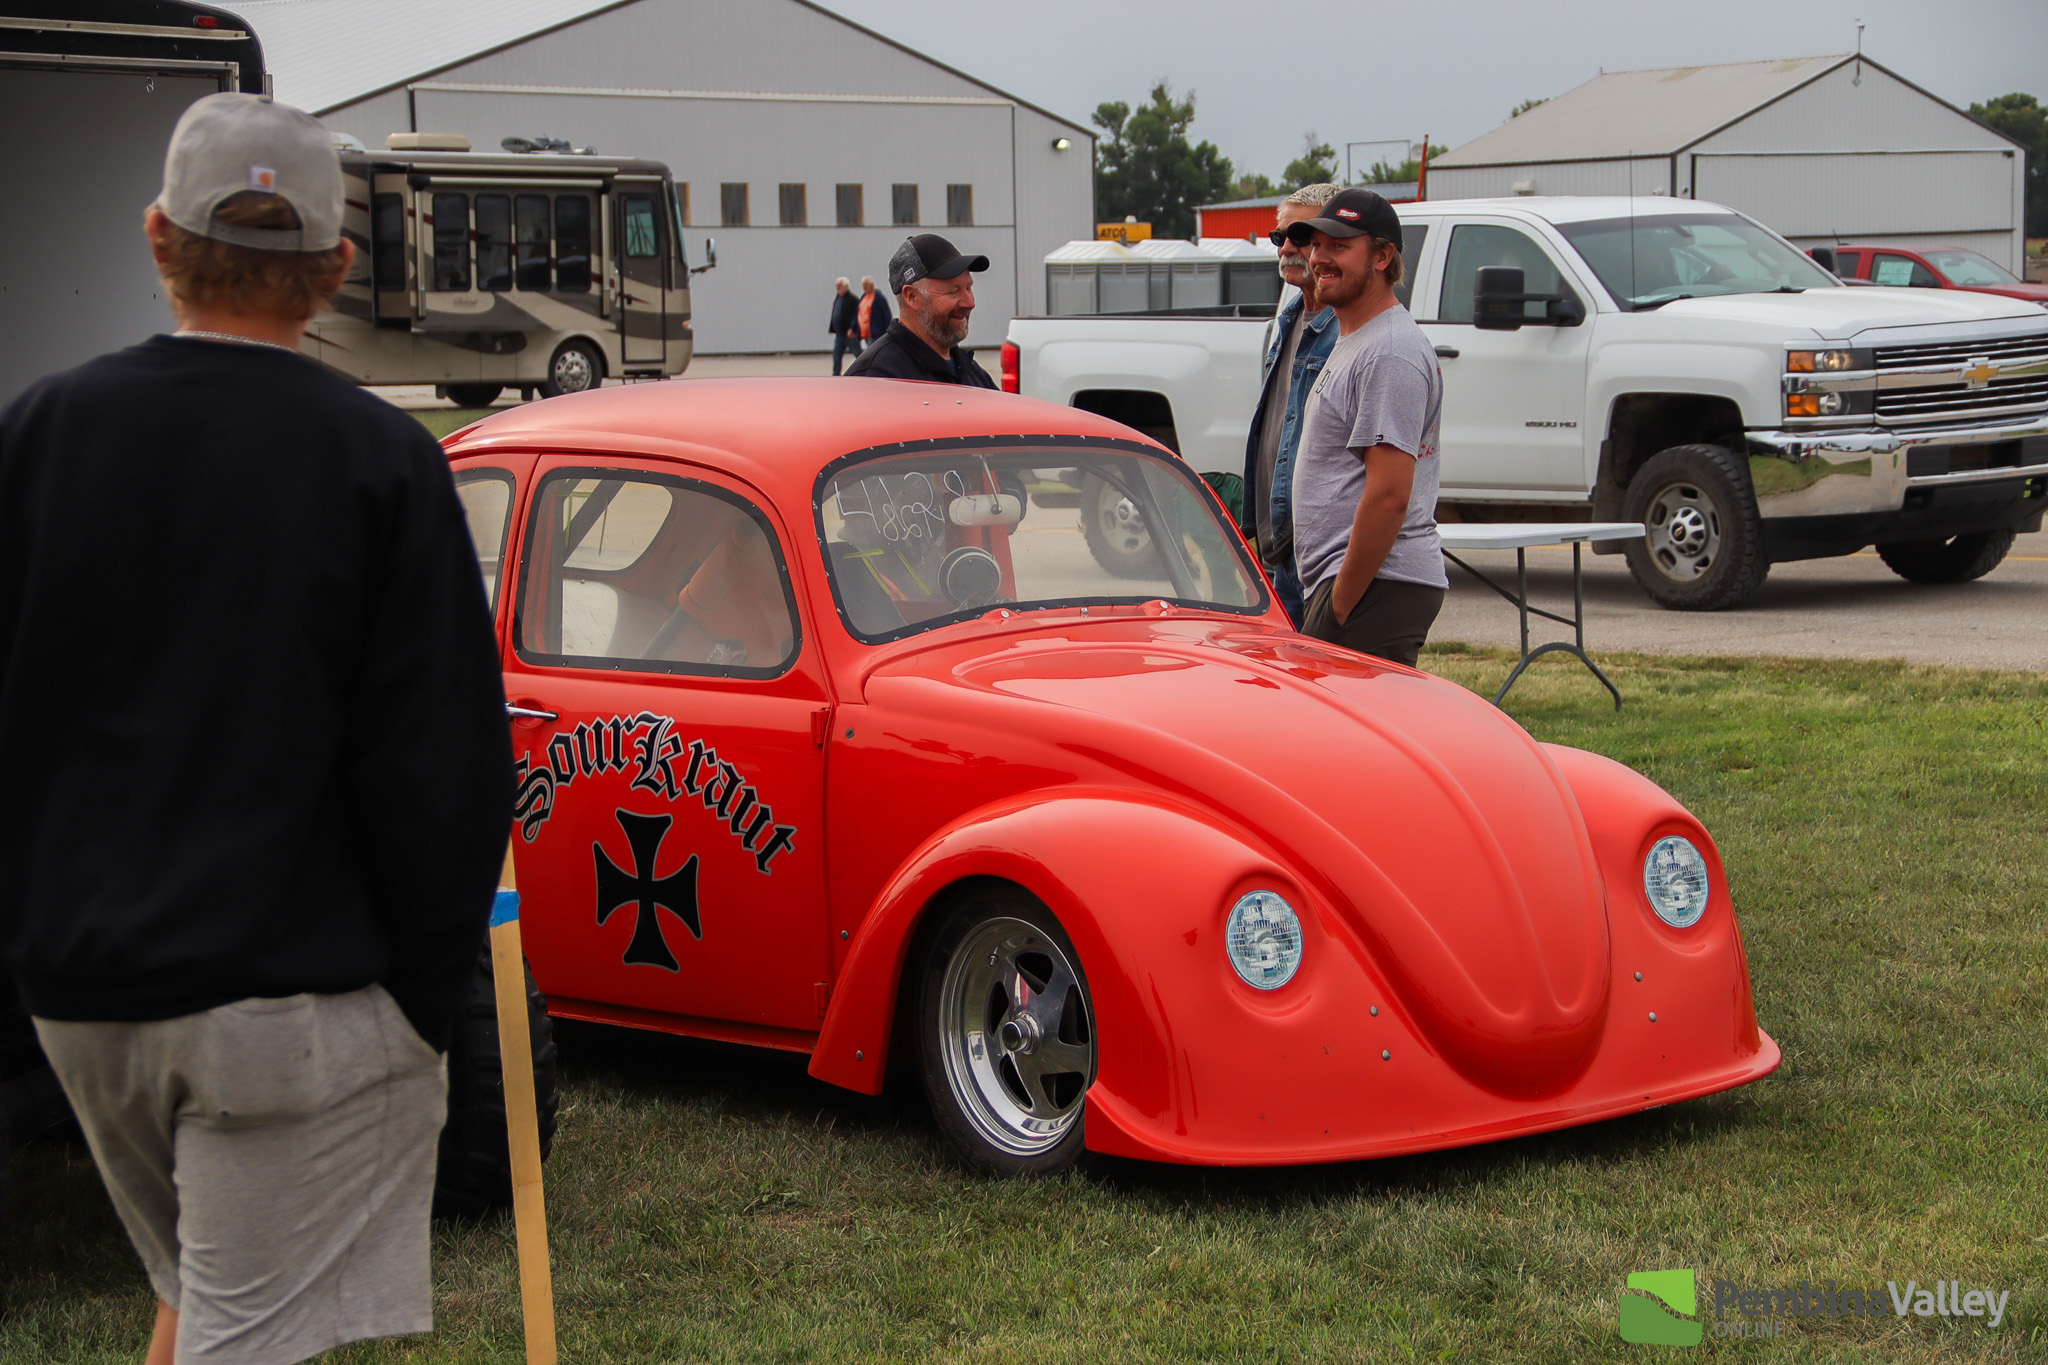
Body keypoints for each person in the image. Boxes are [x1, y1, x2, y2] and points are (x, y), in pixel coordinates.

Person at [0, 93, 512, 1365]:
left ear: (157, 238)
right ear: (337, 266)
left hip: (80, 999)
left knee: (204, 1298)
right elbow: (446, 767)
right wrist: (420, 999)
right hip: (286, 1005)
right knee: (247, 1329)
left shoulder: (38, 431)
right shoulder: (380, 460)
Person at [1286, 187, 1446, 666]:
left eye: (1339, 246)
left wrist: (1340, 603)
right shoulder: (1361, 339)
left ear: (1382, 257)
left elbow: (1390, 494)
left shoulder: (1389, 352)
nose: (1319, 258)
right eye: (1316, 245)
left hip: (1375, 585)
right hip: (1359, 585)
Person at [1240, 183, 1340, 626]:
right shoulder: (1288, 320)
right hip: (1282, 547)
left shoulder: (1348, 330)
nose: (1286, 248)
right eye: (1279, 237)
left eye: (1300, 235)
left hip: (1321, 551)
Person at [845, 234, 995, 386]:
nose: (970, 303)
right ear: (912, 296)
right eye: (953, 291)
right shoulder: (874, 378)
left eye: (968, 288)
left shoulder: (973, 373)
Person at [828, 276, 860, 375]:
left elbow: (857, 316)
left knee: (858, 354)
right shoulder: (838, 298)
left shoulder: (853, 299)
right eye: (837, 286)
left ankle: (864, 372)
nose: (838, 288)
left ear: (846, 287)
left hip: (849, 334)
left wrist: (853, 328)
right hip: (839, 334)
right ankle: (836, 375)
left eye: (840, 286)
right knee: (836, 356)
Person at [857, 274, 892, 350]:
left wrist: (888, 329)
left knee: (873, 350)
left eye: (866, 285)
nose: (864, 287)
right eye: (863, 285)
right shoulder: (864, 297)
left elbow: (886, 314)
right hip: (865, 332)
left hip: (876, 332)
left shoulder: (879, 298)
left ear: (871, 285)